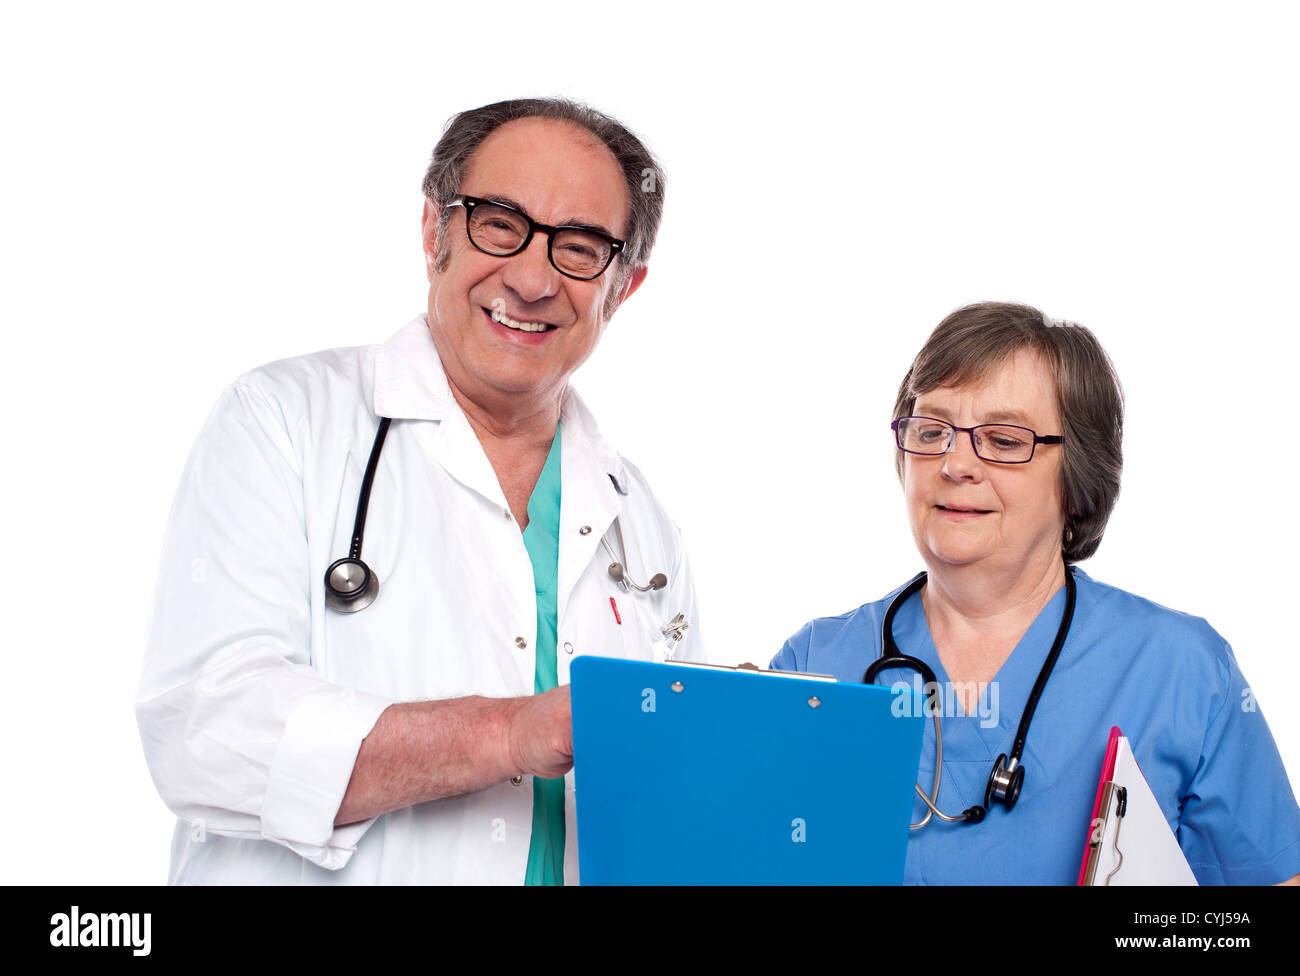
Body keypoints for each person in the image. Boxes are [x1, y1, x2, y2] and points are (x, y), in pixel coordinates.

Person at [136, 97, 705, 884]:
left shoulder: (641, 523)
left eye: (580, 248)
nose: (534, 278)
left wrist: (733, 748)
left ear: (624, 286)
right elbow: (203, 732)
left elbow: (664, 815)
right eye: (500, 223)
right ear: (434, 230)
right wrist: (509, 735)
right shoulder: (282, 422)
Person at [771, 302, 1300, 885]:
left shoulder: (1183, 673)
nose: (955, 463)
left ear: (1078, 480)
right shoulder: (811, 667)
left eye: (1002, 439)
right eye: (932, 431)